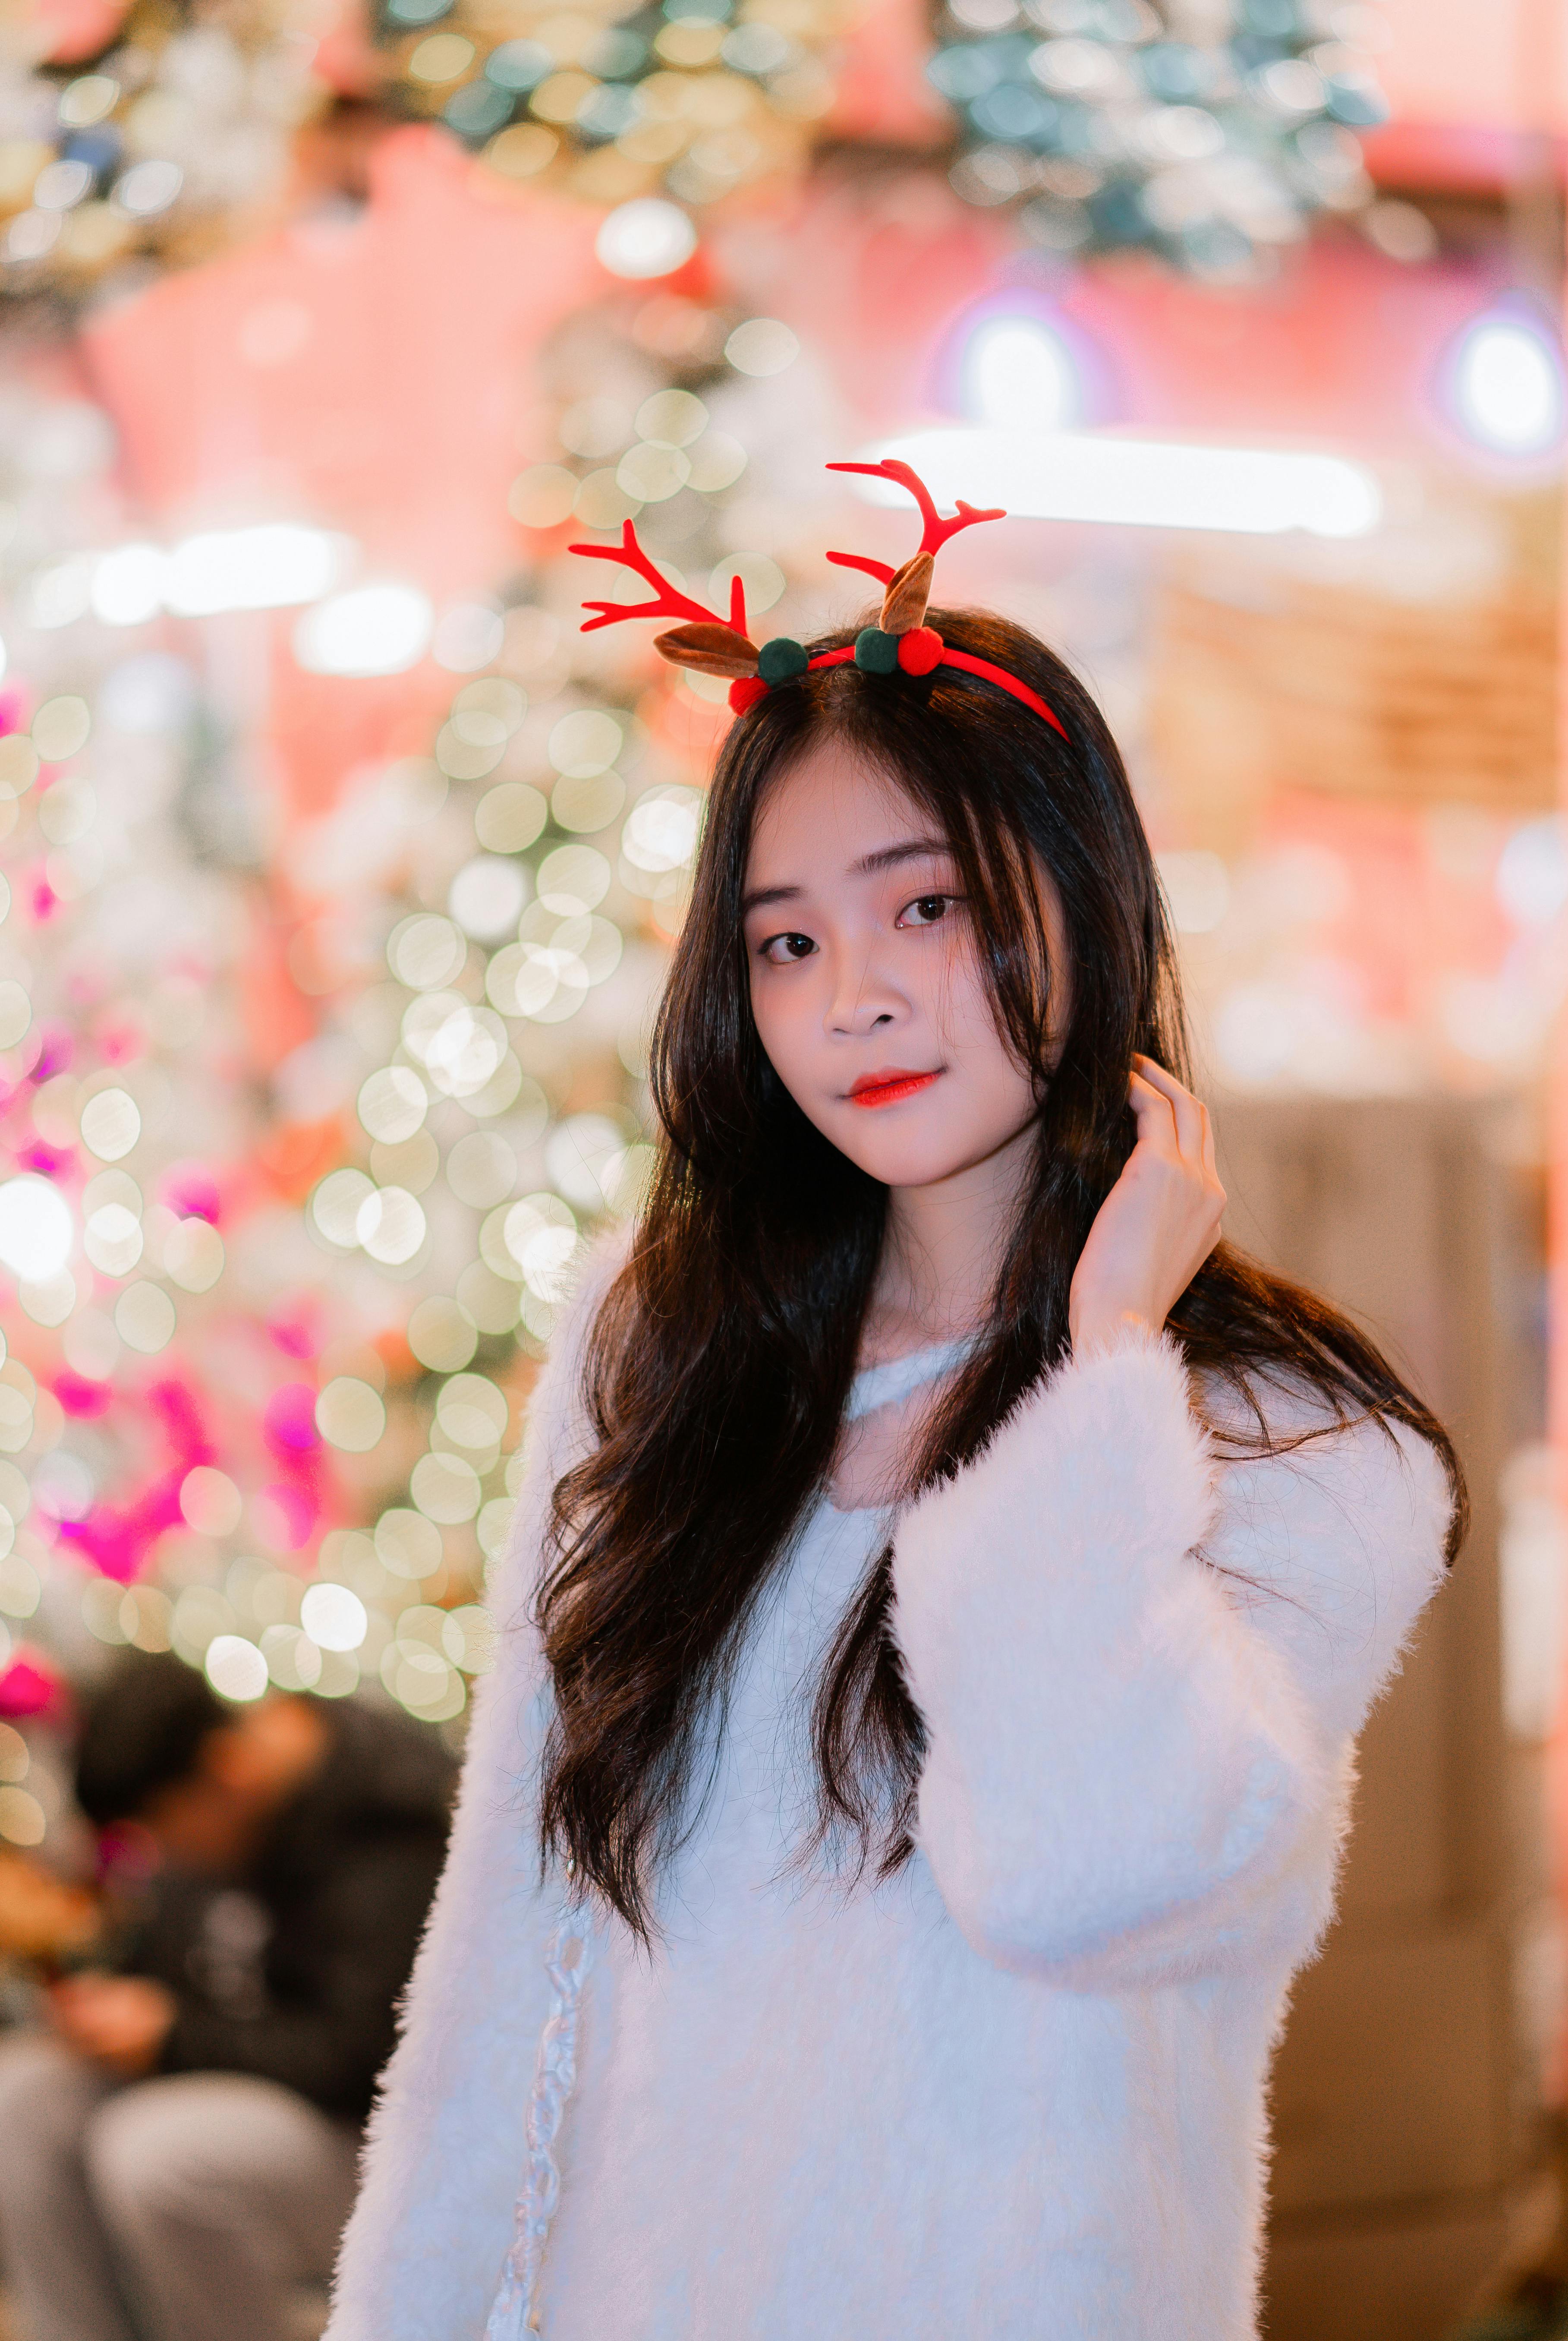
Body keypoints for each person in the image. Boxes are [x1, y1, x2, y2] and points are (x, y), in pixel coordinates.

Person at [329, 467, 1467, 2341]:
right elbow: (506, 1956)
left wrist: (1105, 1367)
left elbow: (1091, 1876)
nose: (849, 996)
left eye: (922, 905)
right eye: (784, 940)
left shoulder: (1298, 1443)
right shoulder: (660, 1339)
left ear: (1079, 901)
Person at [0, 1651, 454, 2341]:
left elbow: (362, 2056)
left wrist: (171, 2037)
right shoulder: (221, 1817)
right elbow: (176, 1971)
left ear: (223, 1771)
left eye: (158, 1828)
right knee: (22, 2098)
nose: (157, 1855)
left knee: (158, 2157)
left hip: (372, 2135)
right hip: (240, 2083)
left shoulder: (389, 1821)